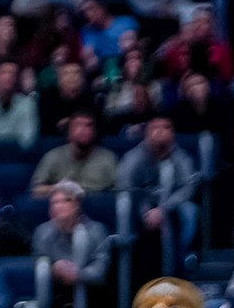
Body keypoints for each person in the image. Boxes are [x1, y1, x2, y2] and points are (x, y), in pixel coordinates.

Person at [118, 116, 200, 275]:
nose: (161, 132)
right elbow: (125, 188)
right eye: (156, 128)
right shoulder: (133, 158)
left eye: (166, 127)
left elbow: (189, 185)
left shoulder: (180, 156)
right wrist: (145, 212)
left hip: (172, 205)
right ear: (147, 133)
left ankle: (183, 259)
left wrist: (164, 208)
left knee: (190, 211)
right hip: (142, 206)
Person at [33, 183, 108, 308]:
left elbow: (100, 269)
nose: (59, 206)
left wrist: (78, 275)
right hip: (55, 292)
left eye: (66, 200)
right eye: (54, 202)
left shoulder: (96, 231)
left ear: (77, 205)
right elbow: (38, 262)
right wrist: (53, 269)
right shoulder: (42, 232)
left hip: (92, 293)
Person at [33, 112, 119, 196]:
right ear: (69, 132)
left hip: (96, 205)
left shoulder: (109, 159)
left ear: (95, 132)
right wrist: (57, 188)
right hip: (63, 205)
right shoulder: (53, 156)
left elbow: (120, 193)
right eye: (78, 125)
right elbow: (35, 191)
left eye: (89, 125)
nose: (84, 130)